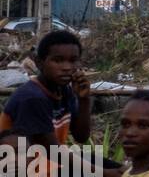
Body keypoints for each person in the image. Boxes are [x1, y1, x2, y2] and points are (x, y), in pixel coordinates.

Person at [0, 29, 91, 162]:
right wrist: (105, 175)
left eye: (73, 60)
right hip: (25, 174)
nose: (67, 67)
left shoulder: (65, 91)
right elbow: (54, 155)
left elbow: (81, 137)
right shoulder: (31, 98)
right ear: (39, 62)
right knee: (108, 174)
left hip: (51, 165)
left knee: (114, 169)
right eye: (58, 60)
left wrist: (84, 99)